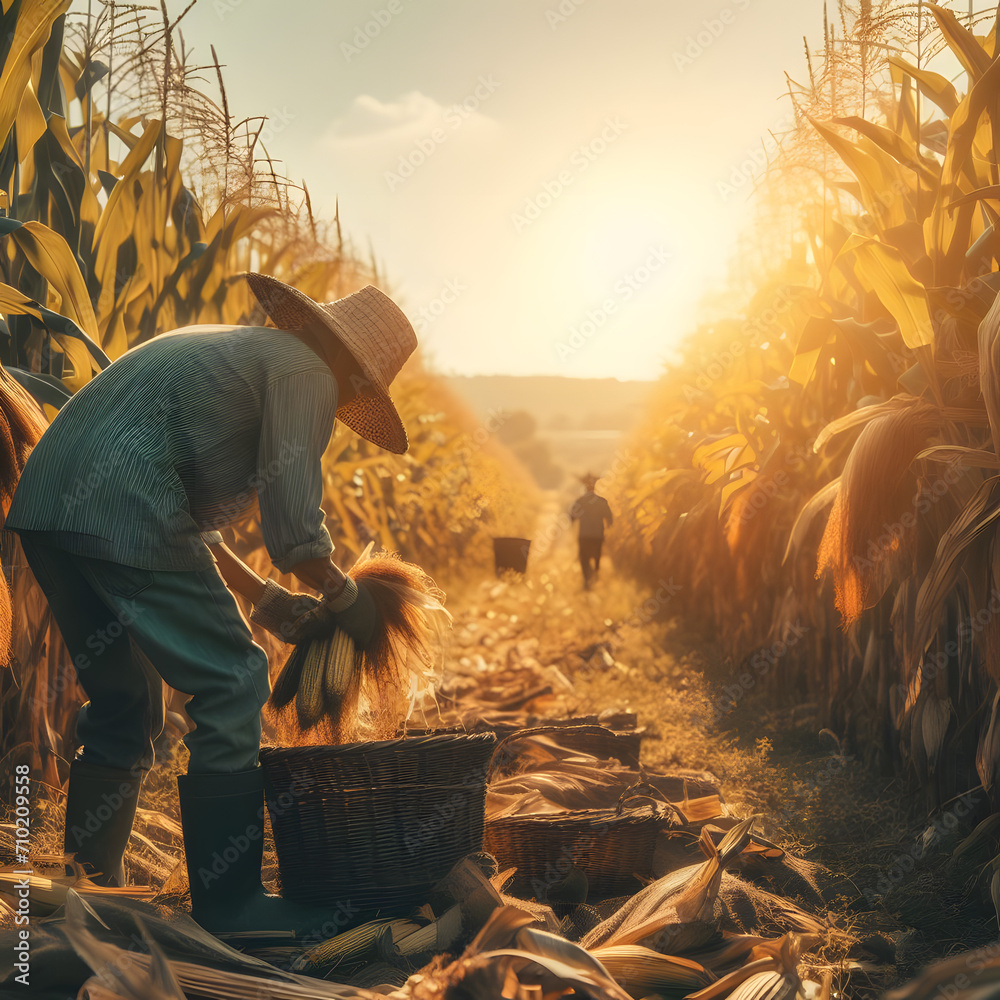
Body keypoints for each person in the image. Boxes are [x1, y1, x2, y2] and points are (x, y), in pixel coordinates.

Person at [4, 273, 417, 935]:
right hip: (126, 506)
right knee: (234, 681)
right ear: (359, 376)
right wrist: (345, 599)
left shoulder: (239, 350)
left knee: (125, 702)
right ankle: (232, 907)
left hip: (49, 504)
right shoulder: (306, 374)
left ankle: (86, 896)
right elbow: (293, 534)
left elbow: (195, 524)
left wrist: (266, 600)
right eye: (362, 388)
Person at [569, 472, 613, 590]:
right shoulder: (602, 501)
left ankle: (587, 581)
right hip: (597, 535)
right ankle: (595, 575)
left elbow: (572, 516)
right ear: (595, 486)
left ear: (584, 486)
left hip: (584, 535)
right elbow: (610, 519)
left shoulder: (580, 501)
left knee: (584, 558)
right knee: (597, 556)